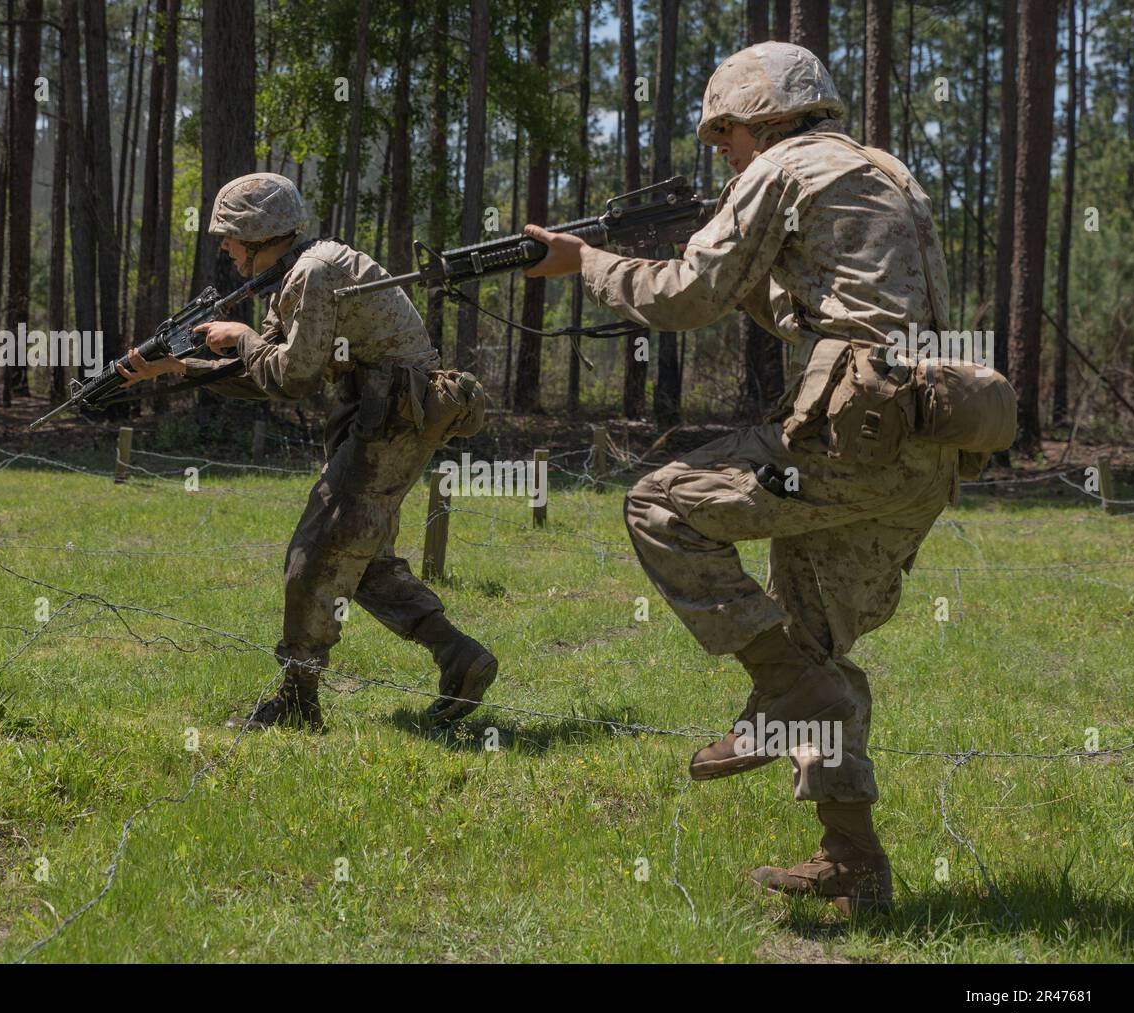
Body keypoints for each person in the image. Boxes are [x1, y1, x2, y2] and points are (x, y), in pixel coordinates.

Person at [523, 42, 958, 912]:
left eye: (724, 133)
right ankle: (853, 860)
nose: (722, 151)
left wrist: (587, 266)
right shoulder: (886, 171)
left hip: (851, 437)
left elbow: (686, 297)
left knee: (659, 505)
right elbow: (833, 301)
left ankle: (783, 693)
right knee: (813, 643)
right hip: (930, 447)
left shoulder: (784, 167)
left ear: (760, 115)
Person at [117, 173, 497, 731]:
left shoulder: (315, 273)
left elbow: (292, 378)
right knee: (362, 562)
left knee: (312, 558)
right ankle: (461, 659)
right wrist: (176, 366)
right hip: (379, 420)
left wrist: (240, 336)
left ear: (256, 232)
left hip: (392, 421)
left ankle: (298, 703)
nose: (223, 245)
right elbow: (263, 375)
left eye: (229, 235)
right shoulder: (295, 273)